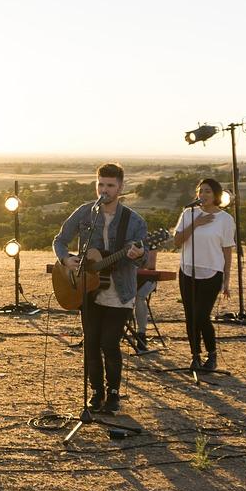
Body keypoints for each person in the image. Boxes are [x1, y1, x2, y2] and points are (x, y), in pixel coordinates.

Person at [53, 163, 147, 414]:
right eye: (100, 184)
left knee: (109, 343)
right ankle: (96, 393)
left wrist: (138, 254)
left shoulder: (134, 220)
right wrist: (66, 259)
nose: (104, 190)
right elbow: (60, 240)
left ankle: (113, 395)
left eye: (110, 186)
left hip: (121, 290)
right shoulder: (85, 213)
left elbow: (142, 258)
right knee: (92, 343)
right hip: (89, 288)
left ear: (120, 187)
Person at [172, 178, 236, 372]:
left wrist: (226, 279)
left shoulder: (225, 219)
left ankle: (212, 354)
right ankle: (195, 356)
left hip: (211, 272)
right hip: (187, 271)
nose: (203, 195)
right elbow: (177, 241)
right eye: (201, 191)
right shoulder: (189, 213)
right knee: (190, 316)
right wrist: (196, 223)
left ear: (216, 194)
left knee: (201, 315)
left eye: (208, 191)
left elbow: (227, 250)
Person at [132, 249, 159, 353]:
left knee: (139, 297)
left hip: (147, 278)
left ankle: (141, 334)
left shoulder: (151, 241)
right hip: (127, 277)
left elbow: (151, 267)